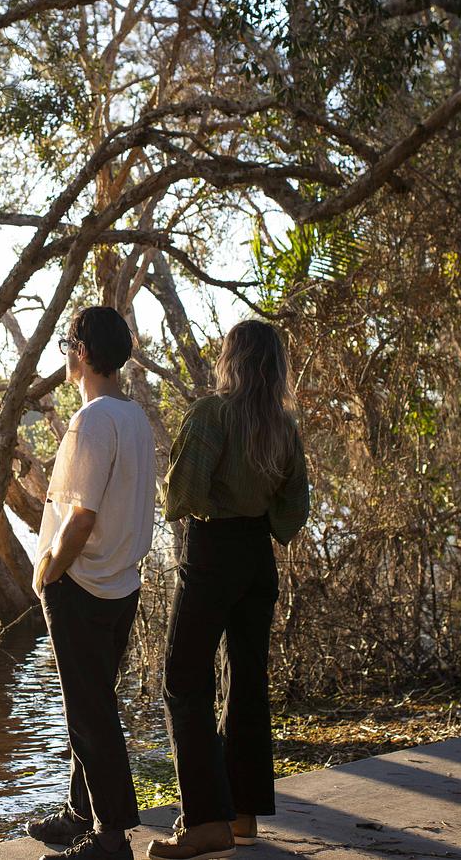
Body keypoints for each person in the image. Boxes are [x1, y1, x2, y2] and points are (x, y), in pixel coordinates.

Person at [146, 320, 310, 860]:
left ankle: (203, 823)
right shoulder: (284, 426)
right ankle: (241, 815)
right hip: (257, 556)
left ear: (231, 360)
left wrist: (190, 498)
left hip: (213, 550)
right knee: (246, 680)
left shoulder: (212, 413)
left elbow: (180, 495)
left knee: (182, 681)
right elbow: (292, 517)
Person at [25, 306, 157, 860]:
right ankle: (82, 815)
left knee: (89, 711)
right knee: (93, 702)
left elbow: (81, 518)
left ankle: (111, 836)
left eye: (66, 346)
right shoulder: (134, 419)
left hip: (81, 583)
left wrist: (47, 570)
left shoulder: (92, 420)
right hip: (122, 582)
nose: (65, 357)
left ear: (80, 353)